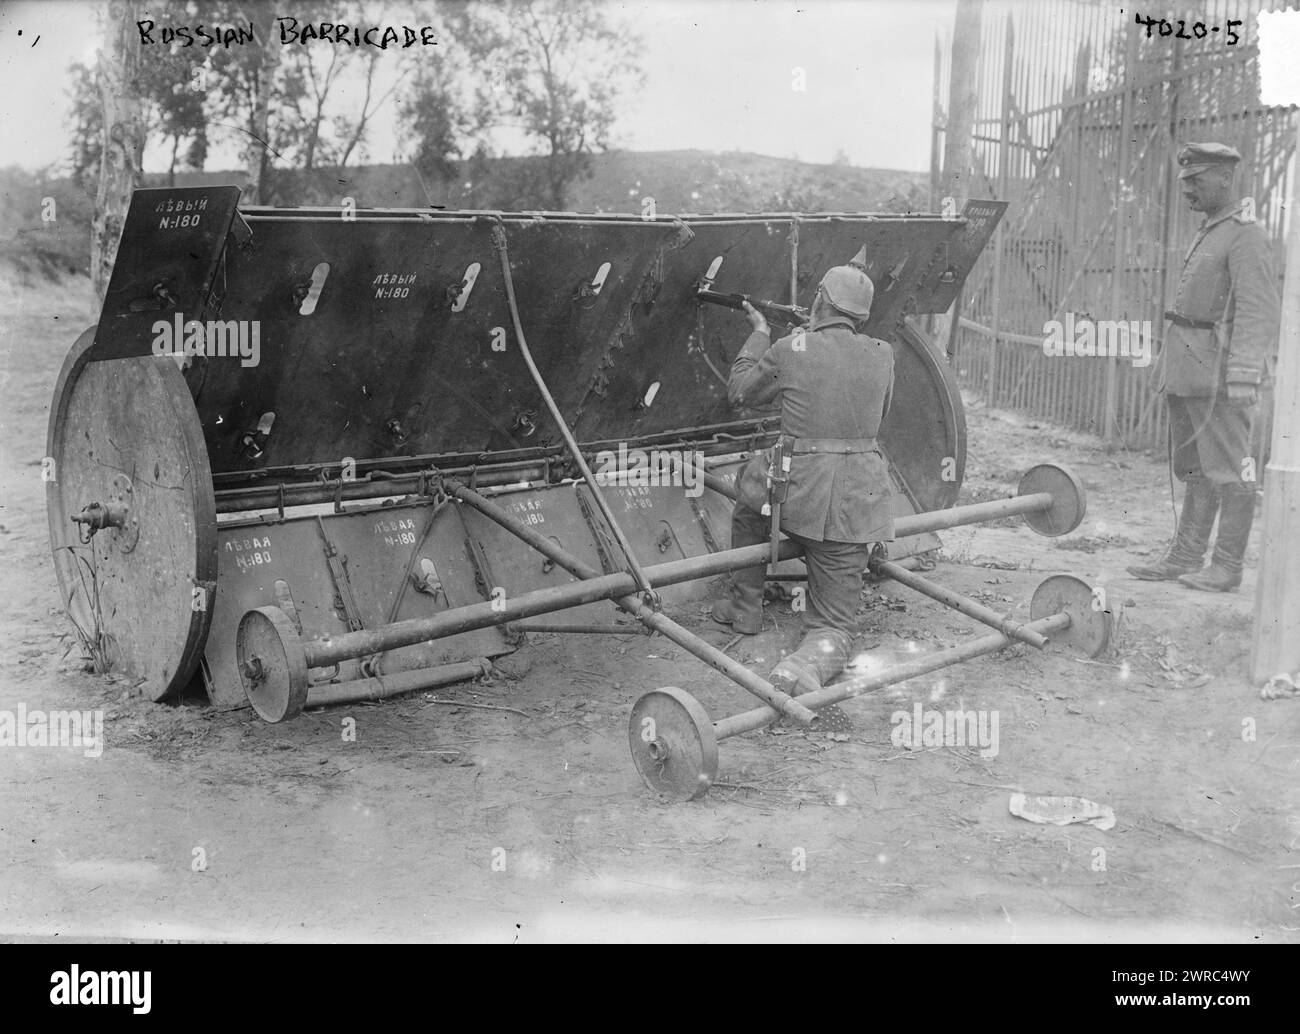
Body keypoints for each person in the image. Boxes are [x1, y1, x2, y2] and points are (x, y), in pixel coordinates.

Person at [711, 260, 895, 697]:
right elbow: (877, 418)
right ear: (862, 317)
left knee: (749, 493)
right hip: (857, 504)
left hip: (794, 496)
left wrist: (759, 333)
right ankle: (808, 663)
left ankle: (745, 607)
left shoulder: (790, 348)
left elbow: (739, 394)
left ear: (820, 302)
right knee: (835, 624)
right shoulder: (883, 353)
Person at [1127, 142, 1280, 592]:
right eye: (1185, 181)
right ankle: (1186, 556)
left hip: (1221, 376)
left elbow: (1258, 310)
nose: (1187, 189)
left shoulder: (1246, 234)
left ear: (1226, 179)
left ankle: (1227, 566)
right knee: (1196, 467)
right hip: (1192, 371)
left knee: (1231, 470)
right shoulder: (1212, 228)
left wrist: (1244, 374)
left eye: (1196, 180)